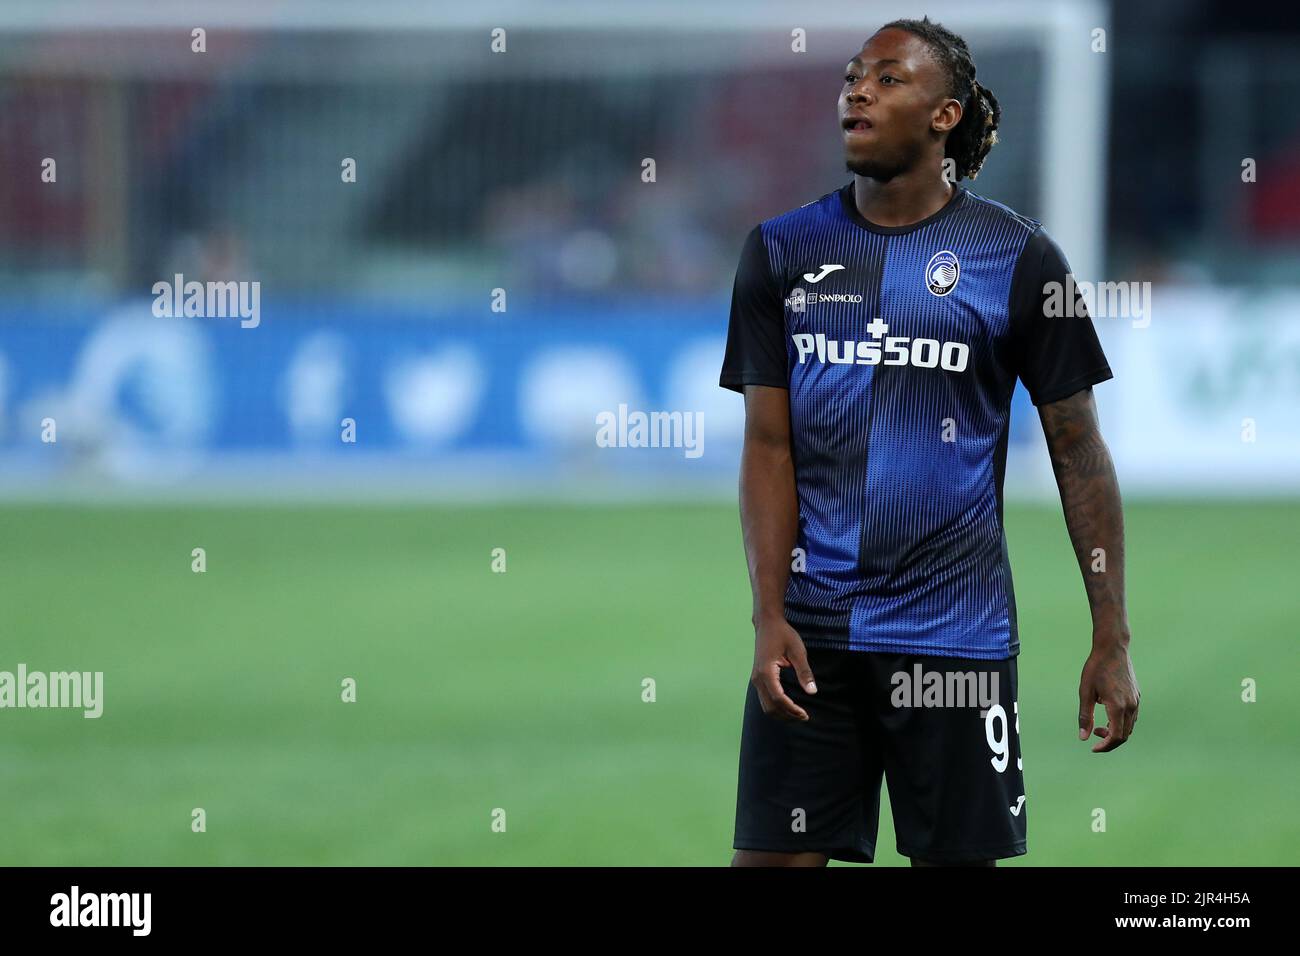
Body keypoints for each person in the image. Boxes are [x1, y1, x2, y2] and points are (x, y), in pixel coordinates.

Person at [719, 16, 1140, 867]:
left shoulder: (1019, 259)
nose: (857, 91)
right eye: (850, 77)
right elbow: (768, 448)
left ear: (945, 115)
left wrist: (1112, 636)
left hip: (957, 641)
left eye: (887, 78)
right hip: (814, 641)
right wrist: (768, 617)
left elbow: (1078, 450)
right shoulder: (782, 251)